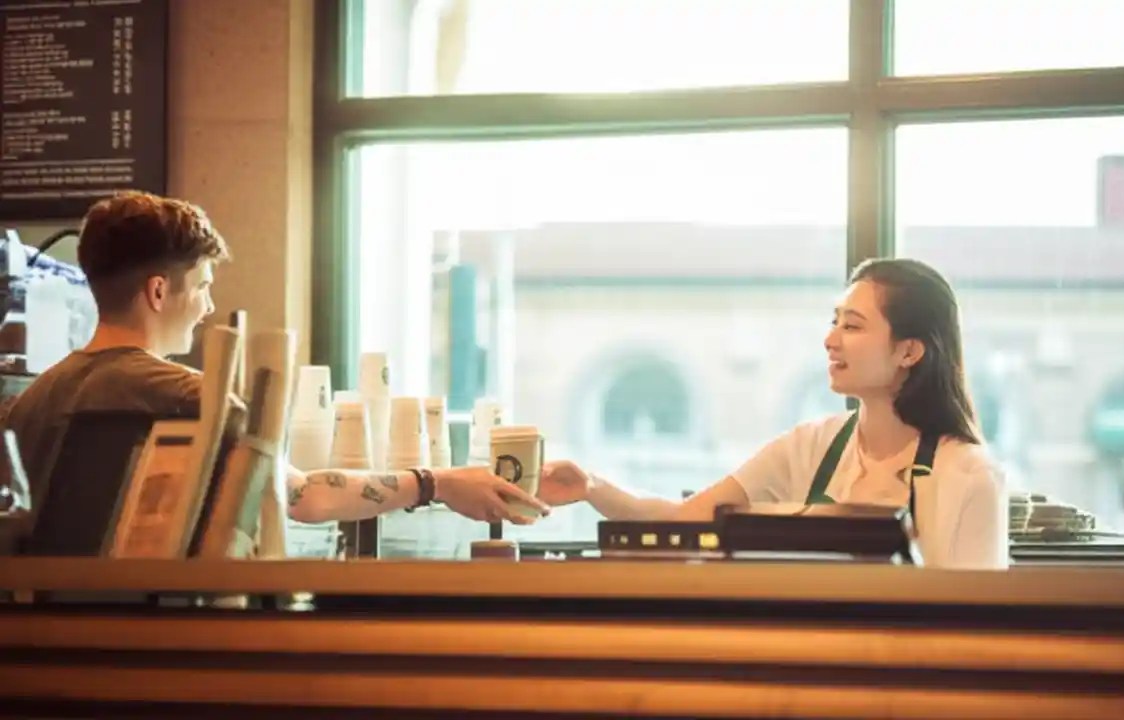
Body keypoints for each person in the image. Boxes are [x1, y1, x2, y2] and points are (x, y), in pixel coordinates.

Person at [0, 191, 547, 526]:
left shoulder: (29, 402)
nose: (209, 305)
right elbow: (301, 497)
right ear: (160, 292)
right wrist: (437, 482)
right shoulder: (188, 395)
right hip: (150, 642)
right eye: (204, 286)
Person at [538, 258, 1007, 569]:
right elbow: (687, 522)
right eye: (834, 321)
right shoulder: (810, 447)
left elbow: (975, 630)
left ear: (908, 351)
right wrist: (590, 488)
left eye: (853, 326)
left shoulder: (968, 475)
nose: (831, 339)